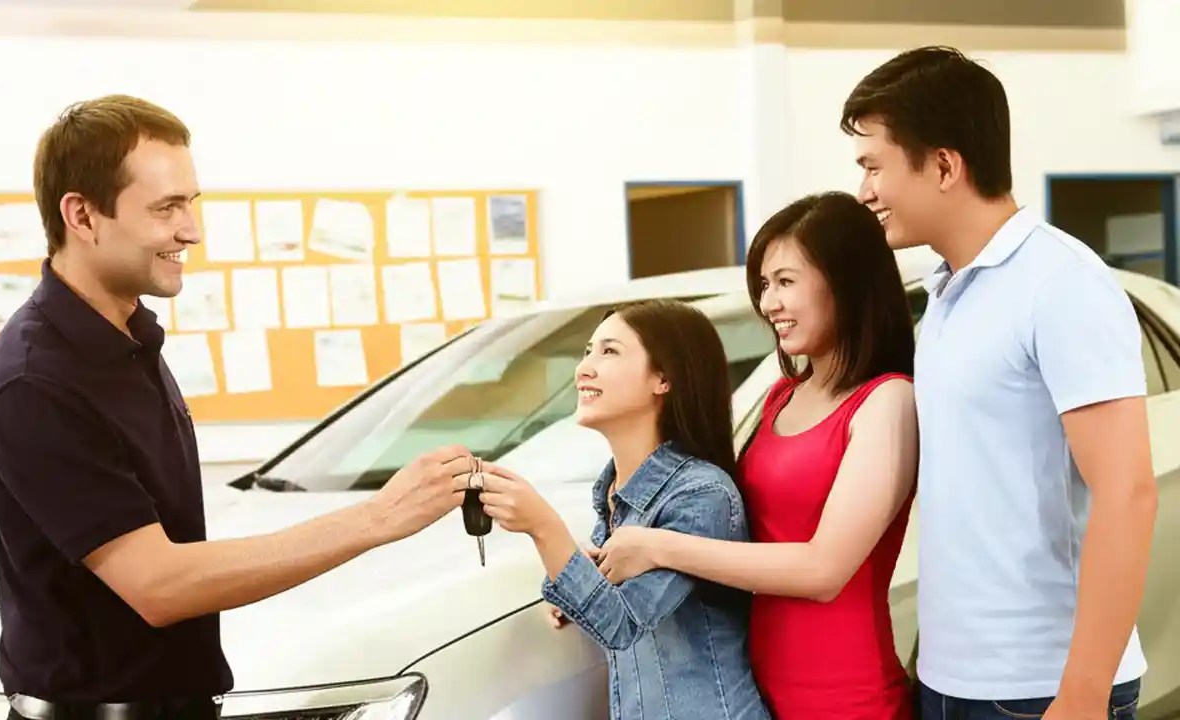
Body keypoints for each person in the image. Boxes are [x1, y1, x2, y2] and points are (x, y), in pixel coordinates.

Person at [0, 94, 471, 720]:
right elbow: (159, 585)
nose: (191, 230)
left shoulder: (130, 340)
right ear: (82, 215)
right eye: (166, 208)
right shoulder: (35, 380)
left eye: (191, 204)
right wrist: (376, 519)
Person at [841, 46, 1158, 720]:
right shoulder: (950, 294)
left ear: (946, 165)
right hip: (954, 678)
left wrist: (1082, 694)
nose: (864, 190)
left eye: (874, 166)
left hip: (1043, 689)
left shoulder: (1060, 282)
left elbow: (1127, 495)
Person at [593, 192, 919, 719]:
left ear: (846, 281)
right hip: (751, 688)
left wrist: (657, 547)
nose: (769, 303)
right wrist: (604, 576)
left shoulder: (887, 401)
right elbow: (732, 536)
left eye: (786, 282)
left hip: (842, 696)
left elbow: (823, 569)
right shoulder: (779, 397)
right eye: (765, 286)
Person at [459, 299, 770, 720]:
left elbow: (620, 625)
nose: (585, 367)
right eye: (588, 351)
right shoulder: (613, 491)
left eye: (609, 351)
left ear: (663, 378)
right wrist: (579, 583)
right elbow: (617, 610)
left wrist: (543, 527)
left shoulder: (701, 493)